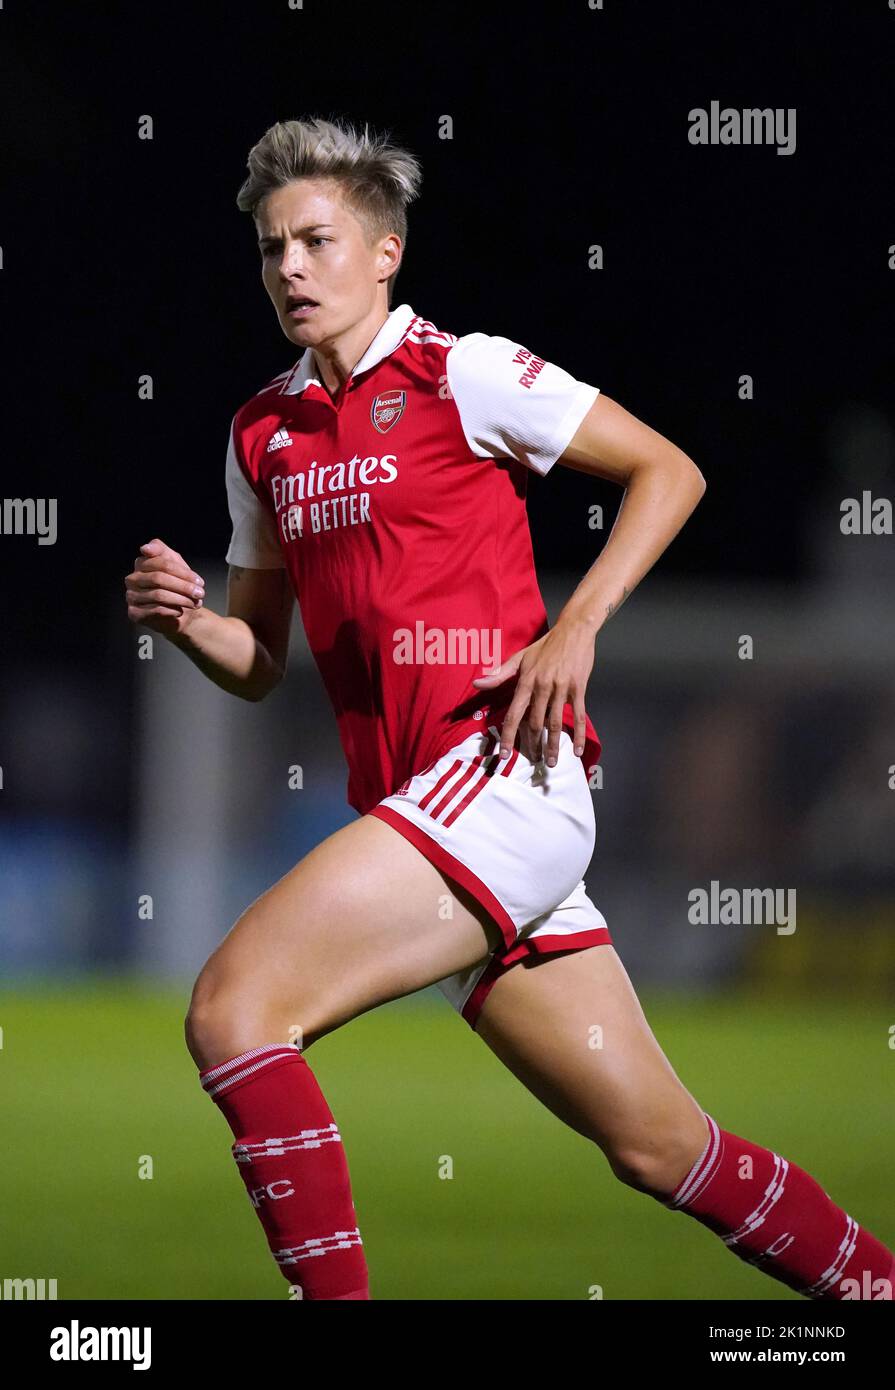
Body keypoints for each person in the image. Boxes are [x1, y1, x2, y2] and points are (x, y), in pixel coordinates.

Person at [125, 117, 893, 1302]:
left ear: (385, 253)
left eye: (317, 240)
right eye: (273, 246)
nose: (289, 267)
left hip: (501, 780)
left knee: (235, 1008)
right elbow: (259, 659)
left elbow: (669, 470)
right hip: (427, 817)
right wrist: (188, 621)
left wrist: (572, 625)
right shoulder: (261, 434)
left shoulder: (463, 371)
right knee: (659, 1146)